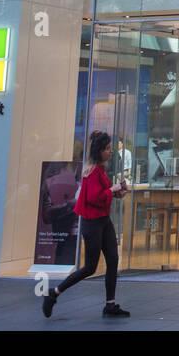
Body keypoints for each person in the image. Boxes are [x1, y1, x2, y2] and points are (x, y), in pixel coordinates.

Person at [42, 131, 131, 319]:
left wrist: (117, 192)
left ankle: (110, 304)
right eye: (107, 149)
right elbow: (94, 198)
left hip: (103, 220)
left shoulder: (100, 170)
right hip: (93, 223)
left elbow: (101, 195)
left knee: (113, 260)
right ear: (99, 151)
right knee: (90, 267)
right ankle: (54, 292)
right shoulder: (92, 172)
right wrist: (112, 190)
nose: (111, 152)